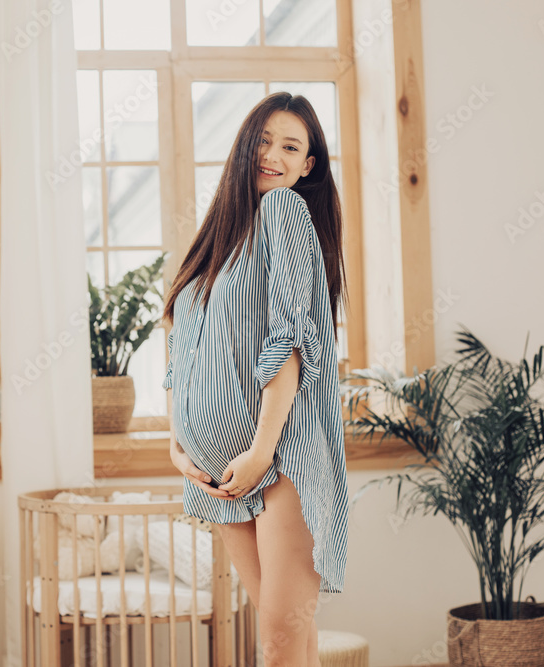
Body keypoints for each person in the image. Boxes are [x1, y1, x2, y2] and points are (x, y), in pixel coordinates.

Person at [161, 91, 350, 667]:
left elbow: (288, 339)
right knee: (289, 637)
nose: (272, 155)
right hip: (219, 472)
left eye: (290, 147)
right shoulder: (219, 239)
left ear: (308, 165)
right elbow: (180, 350)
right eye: (264, 141)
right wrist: (176, 444)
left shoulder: (283, 212)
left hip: (279, 455)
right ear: (245, 146)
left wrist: (262, 451)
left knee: (279, 638)